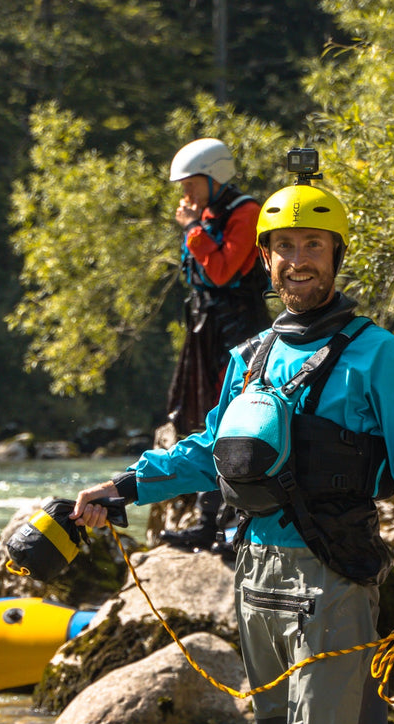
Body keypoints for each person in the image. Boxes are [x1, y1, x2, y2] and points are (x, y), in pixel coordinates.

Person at [73, 164, 394, 724]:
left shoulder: (380, 356)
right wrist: (120, 488)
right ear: (265, 259)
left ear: (337, 255)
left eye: (313, 245)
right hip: (255, 578)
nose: (297, 261)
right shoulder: (250, 354)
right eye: (283, 247)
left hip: (333, 580)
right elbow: (207, 451)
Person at [160, 137, 271, 552]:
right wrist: (195, 226)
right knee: (204, 419)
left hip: (240, 331)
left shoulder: (246, 212)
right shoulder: (208, 213)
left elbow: (223, 271)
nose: (186, 193)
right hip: (206, 331)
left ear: (214, 176)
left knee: (236, 420)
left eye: (191, 184)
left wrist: (192, 229)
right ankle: (209, 523)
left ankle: (232, 527)